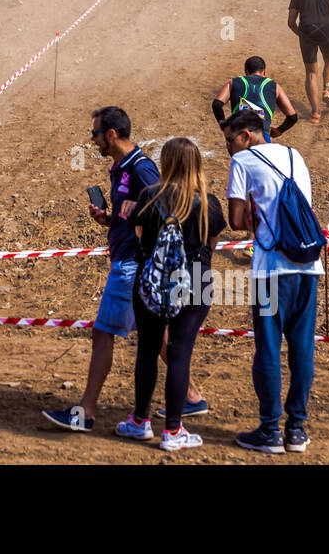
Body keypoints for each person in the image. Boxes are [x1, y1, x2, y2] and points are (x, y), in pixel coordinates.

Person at [42, 106, 160, 433]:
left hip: (132, 264)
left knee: (103, 331)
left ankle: (86, 412)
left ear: (111, 134)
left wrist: (125, 210)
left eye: (95, 134)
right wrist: (110, 218)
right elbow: (132, 213)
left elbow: (161, 207)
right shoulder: (119, 168)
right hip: (131, 259)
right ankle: (191, 395)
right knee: (156, 336)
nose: (92, 140)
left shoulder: (141, 167)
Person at [223, 110, 322, 454]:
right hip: (308, 268)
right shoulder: (296, 156)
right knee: (302, 348)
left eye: (230, 140)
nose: (228, 148)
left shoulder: (244, 161)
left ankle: (269, 431)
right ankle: (296, 430)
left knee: (267, 347)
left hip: (270, 272)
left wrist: (250, 214)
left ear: (247, 135)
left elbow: (236, 222)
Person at [122, 137, 226, 450]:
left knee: (148, 350)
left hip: (151, 281)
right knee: (180, 353)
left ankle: (140, 422)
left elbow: (140, 239)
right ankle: (172, 431)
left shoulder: (149, 197)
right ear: (197, 165)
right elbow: (212, 244)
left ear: (166, 163)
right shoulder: (209, 203)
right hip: (195, 279)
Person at [212, 56, 298, 143]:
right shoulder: (275, 86)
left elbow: (216, 105)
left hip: (238, 136)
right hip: (261, 136)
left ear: (246, 72)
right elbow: (292, 117)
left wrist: (225, 126)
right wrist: (279, 130)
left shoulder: (232, 82)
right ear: (264, 71)